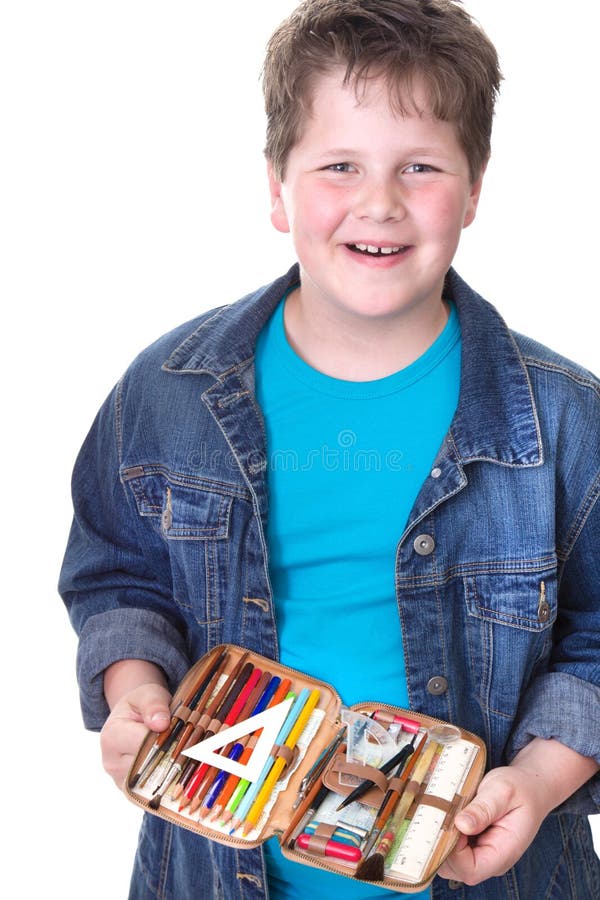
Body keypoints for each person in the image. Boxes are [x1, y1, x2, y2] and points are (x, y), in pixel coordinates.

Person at [59, 1, 600, 897]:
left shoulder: (567, 420)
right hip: (210, 873)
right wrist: (132, 692)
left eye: (419, 167)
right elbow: (118, 574)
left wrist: (537, 786)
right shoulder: (166, 391)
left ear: (473, 189)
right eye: (338, 165)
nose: (378, 203)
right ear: (277, 185)